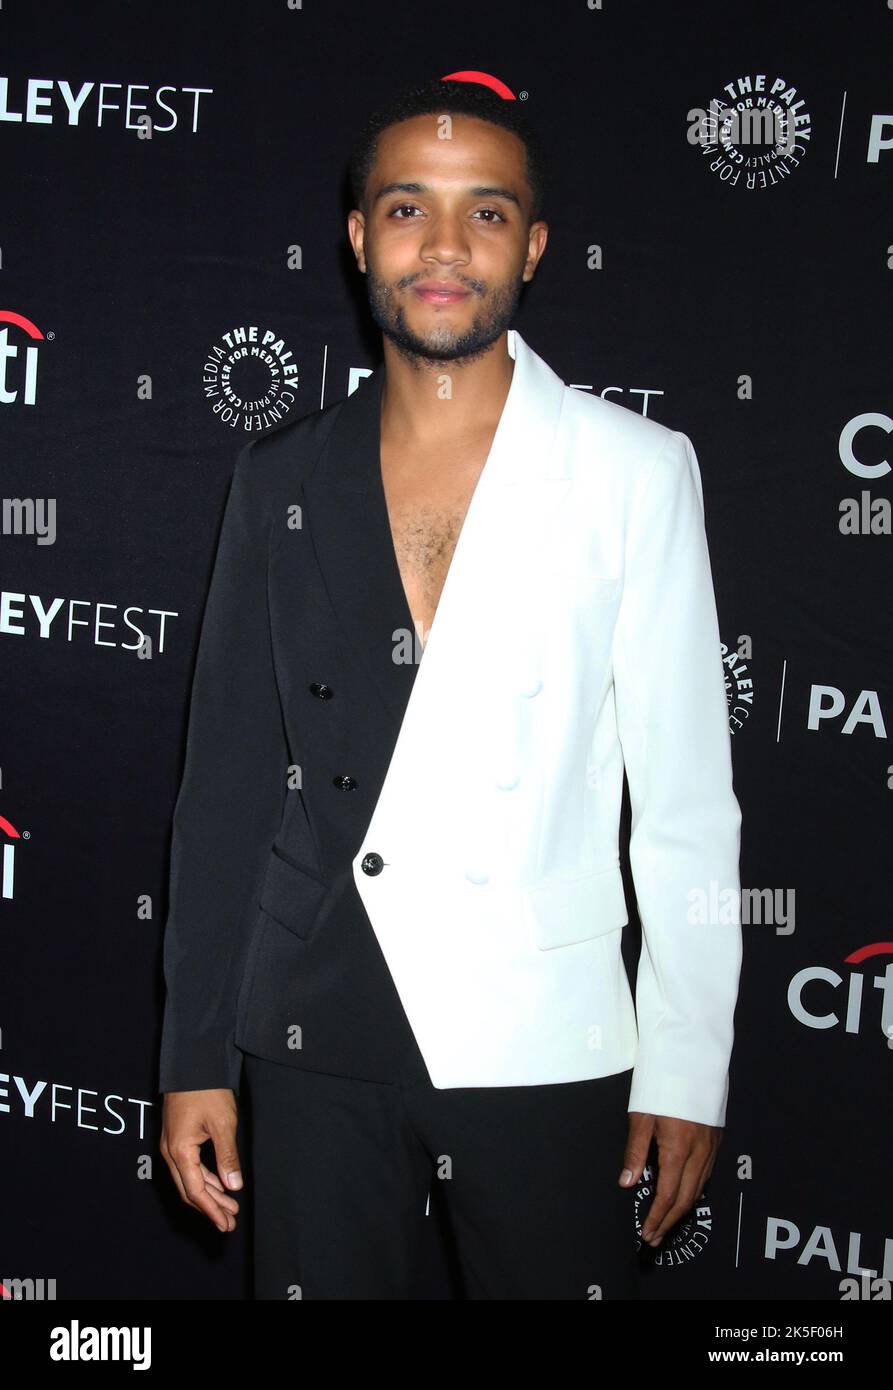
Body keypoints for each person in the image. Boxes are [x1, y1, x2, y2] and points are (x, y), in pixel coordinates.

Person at [159, 76, 742, 1300]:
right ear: (360, 236)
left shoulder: (633, 471)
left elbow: (686, 804)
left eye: (484, 214)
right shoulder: (280, 472)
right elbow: (223, 784)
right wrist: (193, 1051)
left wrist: (685, 1068)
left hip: (546, 1031)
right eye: (408, 207)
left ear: (529, 248)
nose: (442, 246)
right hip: (314, 1025)